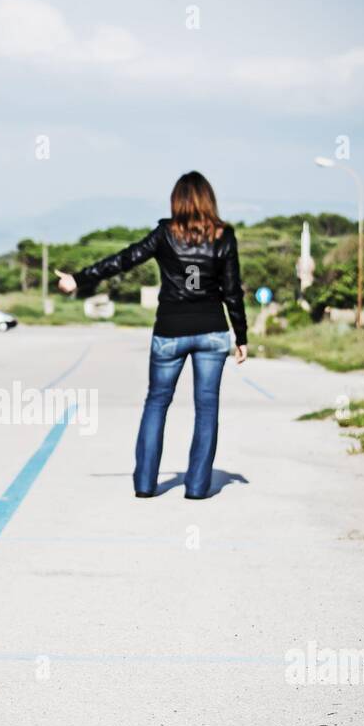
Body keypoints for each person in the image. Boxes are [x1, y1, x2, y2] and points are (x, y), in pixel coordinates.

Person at [55, 171, 247, 500]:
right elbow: (232, 291)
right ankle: (198, 487)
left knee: (157, 403)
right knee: (207, 408)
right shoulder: (223, 236)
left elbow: (123, 259)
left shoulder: (165, 234)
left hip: (170, 331)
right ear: (209, 199)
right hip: (213, 332)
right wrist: (240, 336)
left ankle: (145, 484)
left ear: (177, 200)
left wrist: (79, 279)